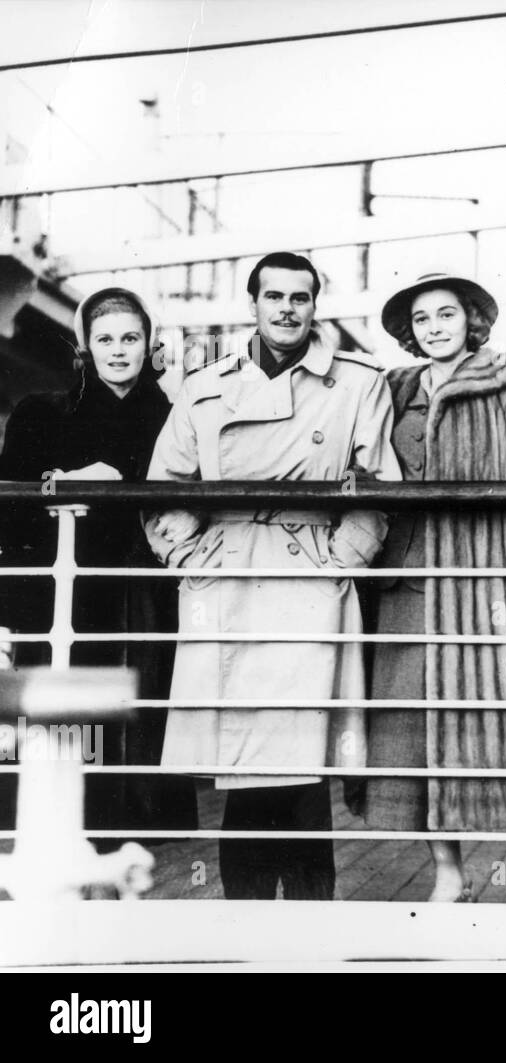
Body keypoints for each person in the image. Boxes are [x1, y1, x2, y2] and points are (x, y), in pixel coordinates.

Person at [144, 252, 400, 900]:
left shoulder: (357, 385)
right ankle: (245, 930)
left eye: (301, 297)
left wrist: (344, 556)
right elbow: (163, 484)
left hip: (309, 573)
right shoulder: (202, 388)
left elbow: (380, 485)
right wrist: (188, 555)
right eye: (274, 296)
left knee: (303, 775)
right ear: (252, 303)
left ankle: (309, 934)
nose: (287, 308)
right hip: (228, 579)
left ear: (316, 305)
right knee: (243, 774)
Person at [359, 272, 506, 903]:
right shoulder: (392, 388)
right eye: (422, 319)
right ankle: (447, 870)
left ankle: (497, 858)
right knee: (410, 731)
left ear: (472, 319)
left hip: (481, 574)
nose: (436, 327)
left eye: (447, 314)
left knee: (488, 718)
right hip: (406, 574)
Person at [0, 286, 197, 851]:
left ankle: (114, 872)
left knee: (128, 748)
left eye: (130, 338)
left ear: (148, 344)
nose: (118, 350)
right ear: (85, 346)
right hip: (59, 597)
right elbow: (9, 514)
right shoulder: (42, 412)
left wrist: (120, 475)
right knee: (61, 741)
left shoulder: (173, 417)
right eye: (105, 338)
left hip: (139, 599)